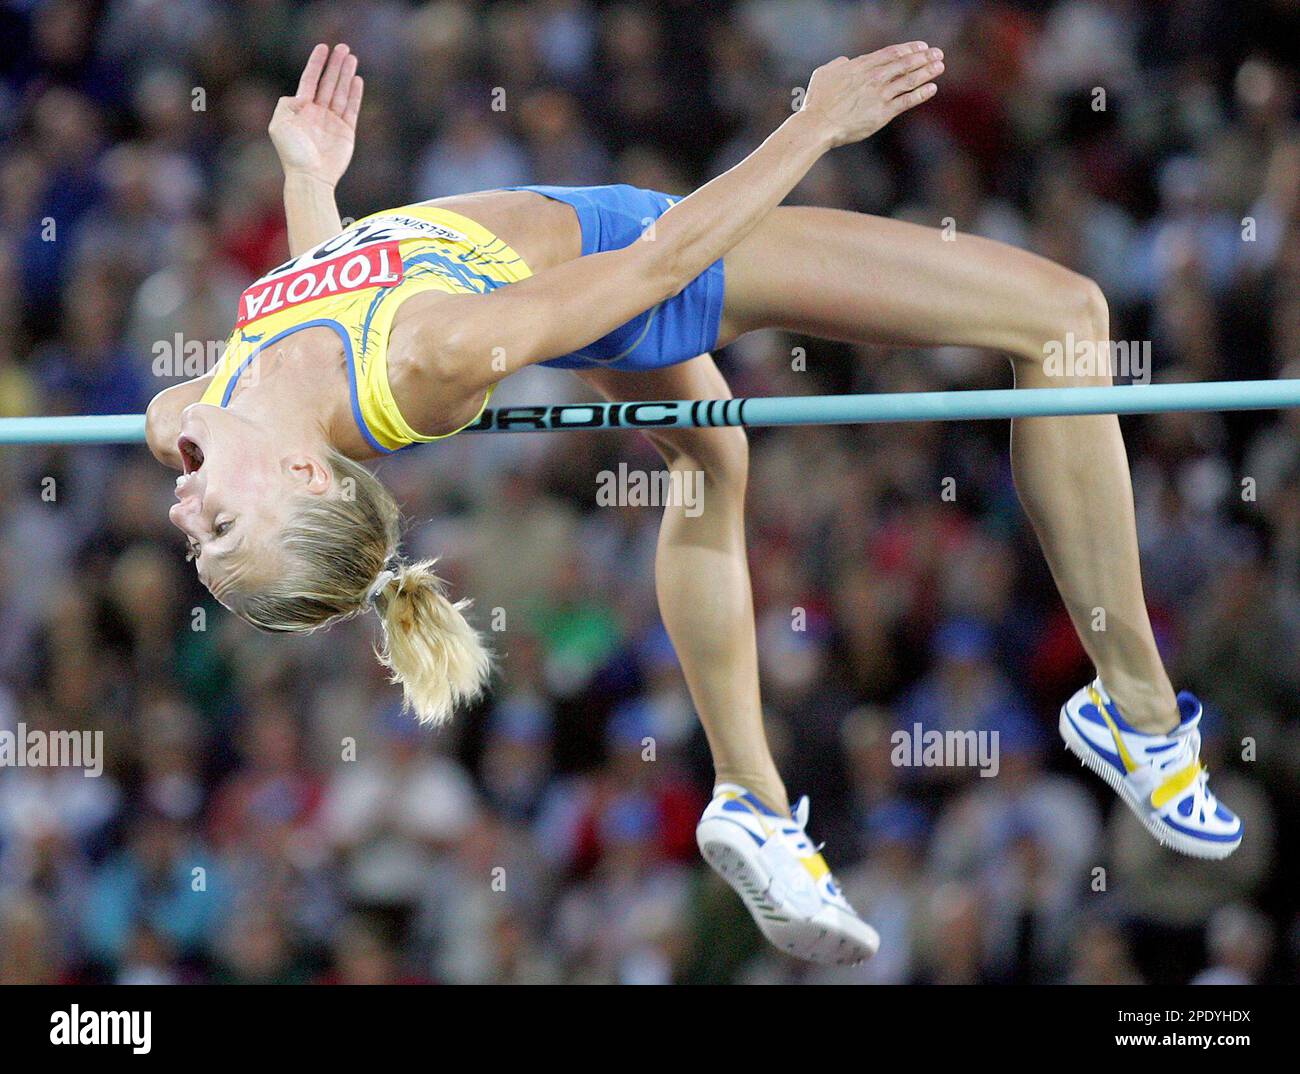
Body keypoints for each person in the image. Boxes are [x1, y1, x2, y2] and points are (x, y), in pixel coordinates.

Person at [145, 43, 1241, 966]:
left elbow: (309, 333)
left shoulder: (195, 416)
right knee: (1064, 319)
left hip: (593, 266)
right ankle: (1135, 713)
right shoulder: (434, 356)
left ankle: (752, 800)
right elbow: (659, 264)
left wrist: (309, 182)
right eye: (220, 530)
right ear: (302, 483)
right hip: (639, 258)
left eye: (197, 543)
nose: (182, 514)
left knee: (709, 461)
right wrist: (817, 123)